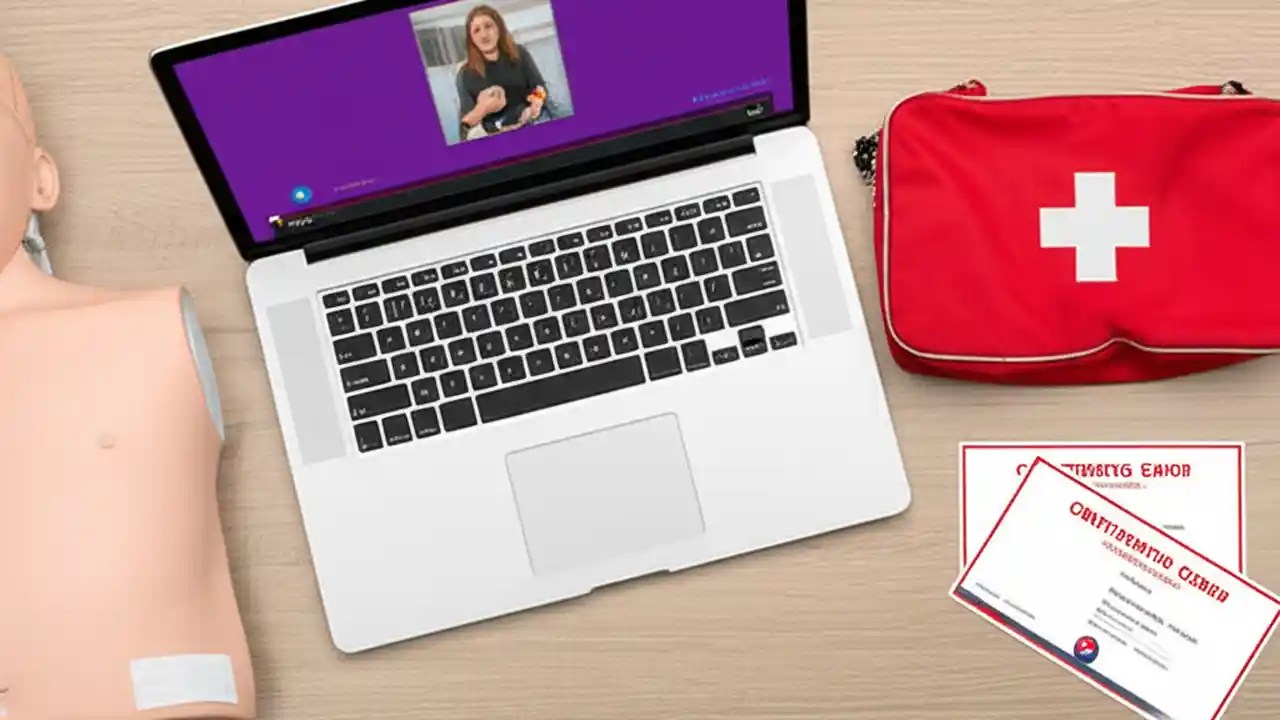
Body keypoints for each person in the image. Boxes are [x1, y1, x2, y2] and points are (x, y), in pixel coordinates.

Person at [455, 4, 549, 140]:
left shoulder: (520, 53)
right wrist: (483, 108)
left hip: (530, 122)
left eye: (488, 26)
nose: (484, 34)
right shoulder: (465, 75)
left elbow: (540, 87)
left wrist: (536, 105)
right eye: (476, 30)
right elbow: (465, 130)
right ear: (471, 39)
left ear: (499, 28)